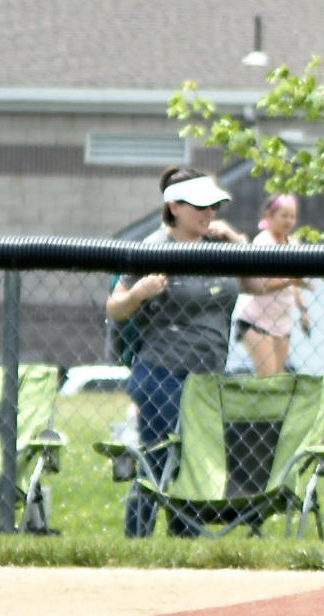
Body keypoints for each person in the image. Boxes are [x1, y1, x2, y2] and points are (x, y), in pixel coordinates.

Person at [105, 169, 270, 536]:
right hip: (163, 373)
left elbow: (258, 285)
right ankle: (138, 540)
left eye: (213, 206)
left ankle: (185, 541)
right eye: (199, 205)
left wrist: (237, 242)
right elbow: (114, 308)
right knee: (158, 462)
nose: (208, 213)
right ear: (174, 206)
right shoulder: (153, 248)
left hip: (208, 377)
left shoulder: (219, 247)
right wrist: (139, 293)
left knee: (195, 465)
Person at [232, 194, 310, 376]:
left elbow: (294, 286)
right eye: (284, 216)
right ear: (270, 215)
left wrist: (303, 310)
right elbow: (261, 284)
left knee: (278, 378)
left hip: (282, 322)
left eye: (292, 216)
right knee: (266, 376)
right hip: (255, 321)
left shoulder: (293, 244)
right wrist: (290, 279)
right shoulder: (263, 242)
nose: (289, 221)